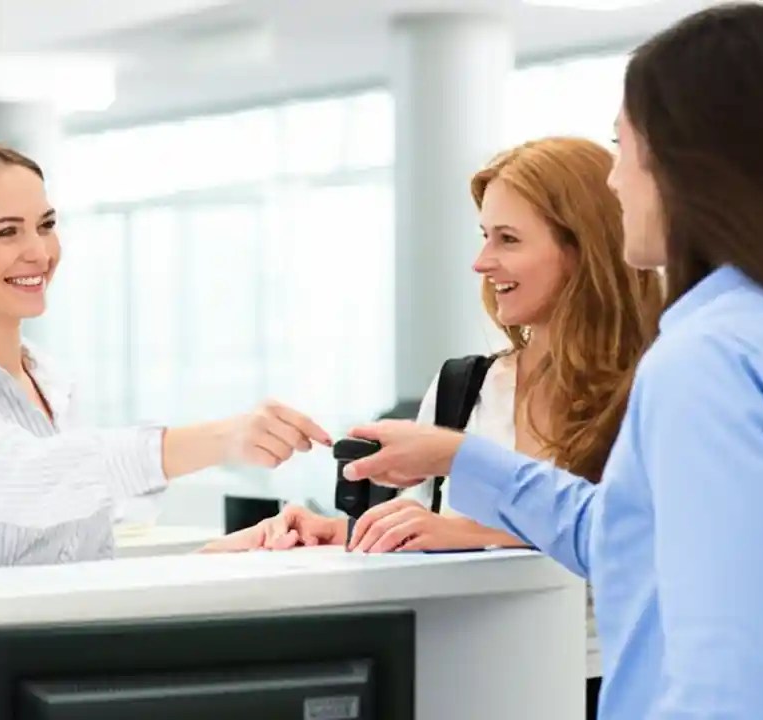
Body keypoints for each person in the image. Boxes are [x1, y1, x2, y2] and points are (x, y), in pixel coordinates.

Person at [329, 4, 763, 719]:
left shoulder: (709, 365)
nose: (613, 181)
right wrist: (464, 457)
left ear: (684, 167)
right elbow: (629, 535)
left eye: (622, 146)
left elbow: (729, 693)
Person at [203, 136, 664, 717]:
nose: (482, 261)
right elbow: (423, 542)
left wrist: (479, 535)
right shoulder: (461, 389)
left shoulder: (655, 386)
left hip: (605, 691)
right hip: (468, 685)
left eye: (508, 239)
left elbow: (646, 544)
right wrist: (349, 539)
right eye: (484, 236)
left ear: (582, 250)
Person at [0, 140, 332, 573]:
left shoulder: (51, 382)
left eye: (46, 225)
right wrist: (222, 438)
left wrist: (228, 550)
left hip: (54, 651)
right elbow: (31, 483)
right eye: (7, 232)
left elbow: (85, 543)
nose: (39, 252)